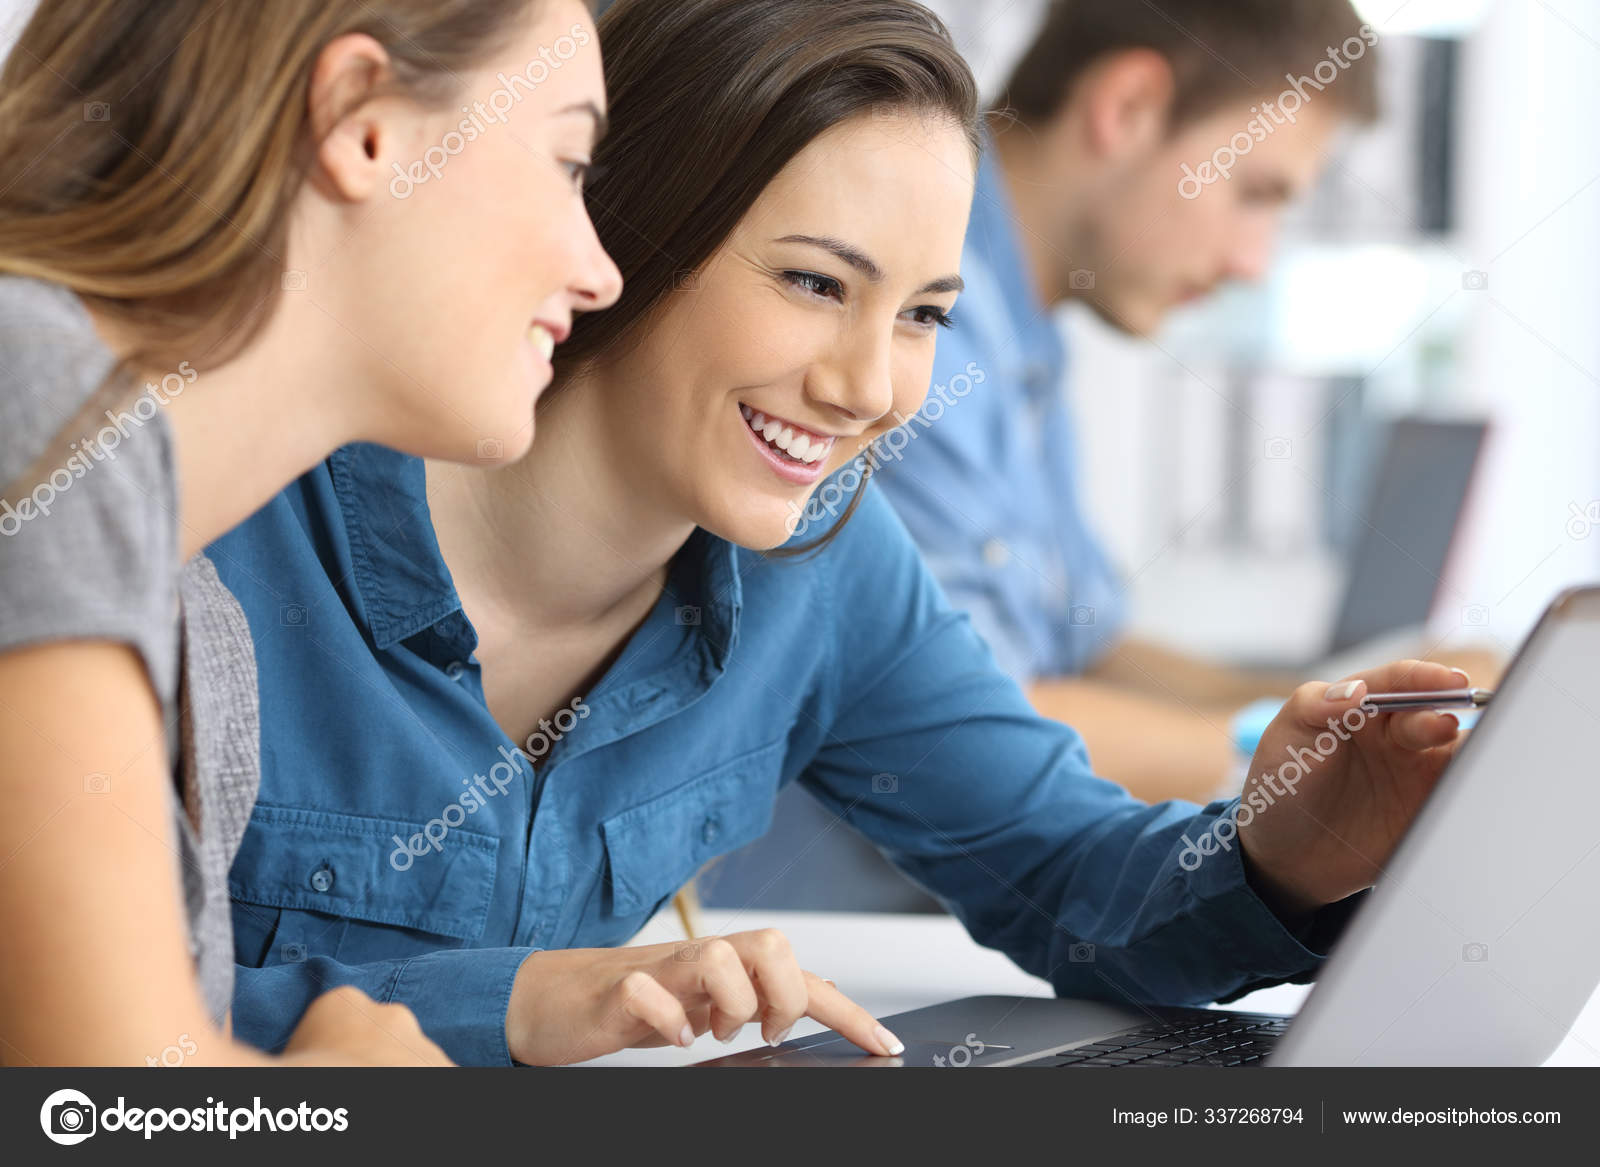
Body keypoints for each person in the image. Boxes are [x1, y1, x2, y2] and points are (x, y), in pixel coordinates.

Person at [212, 0, 1466, 1069]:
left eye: (923, 314)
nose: (871, 387)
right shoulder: (233, 521)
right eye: (816, 283)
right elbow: (78, 1029)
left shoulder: (822, 565)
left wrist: (1284, 852)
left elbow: (1067, 876)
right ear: (624, 240)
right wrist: (518, 1004)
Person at [0, 0, 619, 1065]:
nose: (599, 271)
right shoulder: (34, 394)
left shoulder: (206, 625)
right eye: (568, 163)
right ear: (360, 123)